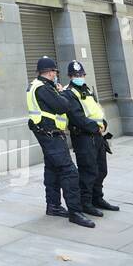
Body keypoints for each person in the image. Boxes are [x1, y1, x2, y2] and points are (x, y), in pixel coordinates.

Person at [27, 56, 101, 228]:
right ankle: (75, 212)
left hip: (48, 133)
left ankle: (53, 206)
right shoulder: (44, 89)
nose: (55, 75)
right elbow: (63, 106)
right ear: (50, 72)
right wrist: (60, 93)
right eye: (54, 72)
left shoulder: (38, 86)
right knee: (70, 172)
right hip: (50, 134)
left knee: (52, 170)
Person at [62, 60, 119, 216]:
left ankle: (97, 199)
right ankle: (85, 203)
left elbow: (97, 110)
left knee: (101, 170)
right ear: (69, 76)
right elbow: (77, 117)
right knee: (88, 172)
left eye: (80, 74)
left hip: (98, 136)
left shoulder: (87, 90)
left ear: (84, 75)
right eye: (75, 75)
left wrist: (104, 124)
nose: (78, 76)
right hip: (84, 138)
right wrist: (97, 127)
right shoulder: (68, 93)